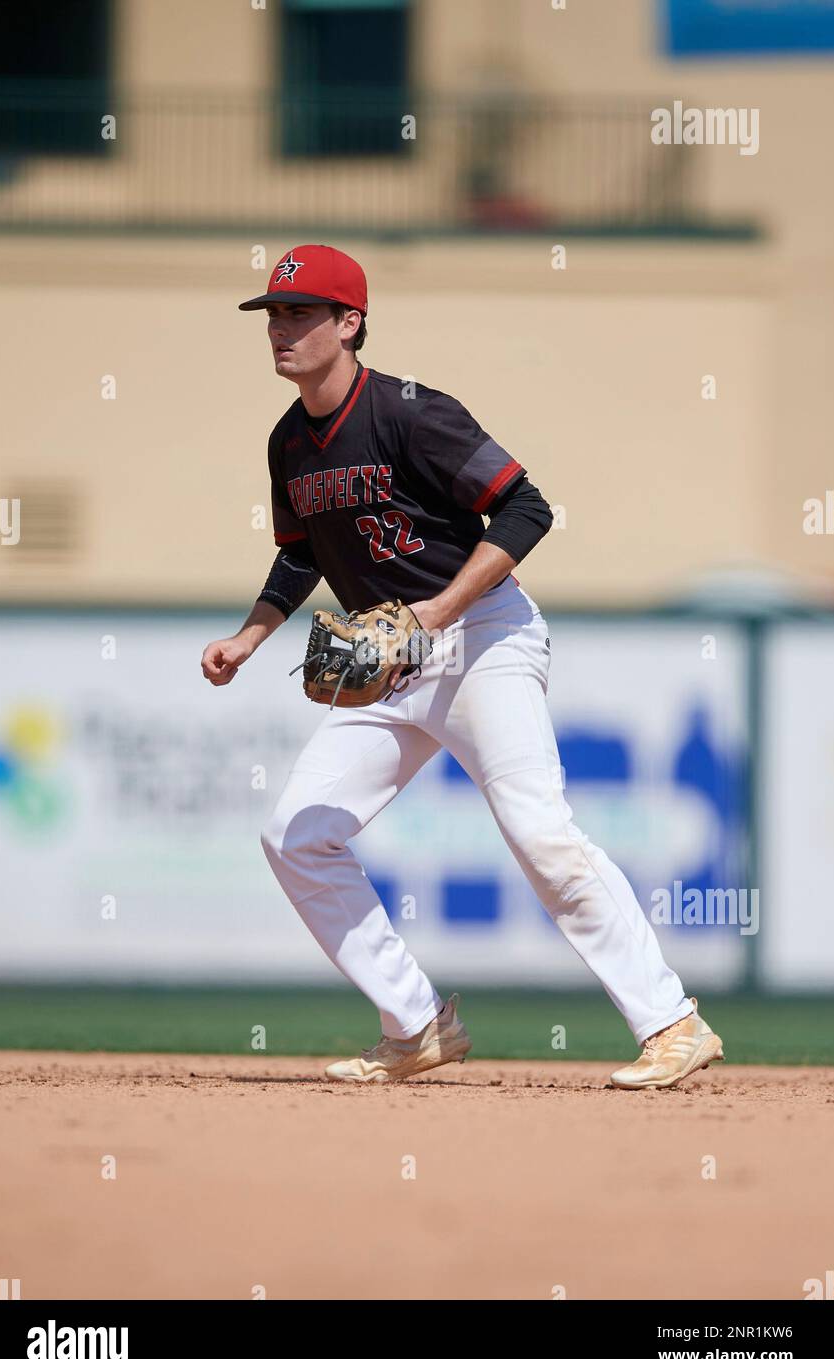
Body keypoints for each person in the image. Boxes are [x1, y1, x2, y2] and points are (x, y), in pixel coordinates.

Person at [201, 244, 724, 1089]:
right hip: (392, 656)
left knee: (538, 830)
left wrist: (436, 613)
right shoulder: (288, 443)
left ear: (350, 322)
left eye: (299, 313)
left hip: (482, 637)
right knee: (296, 834)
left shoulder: (412, 413)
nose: (281, 330)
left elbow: (526, 508)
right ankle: (416, 1024)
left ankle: (672, 1021)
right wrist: (251, 634)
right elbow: (301, 556)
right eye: (273, 315)